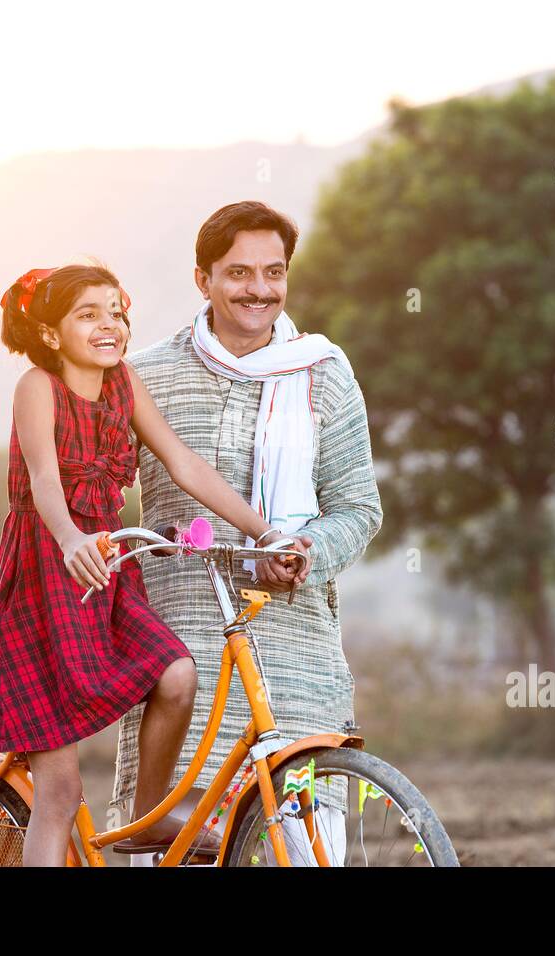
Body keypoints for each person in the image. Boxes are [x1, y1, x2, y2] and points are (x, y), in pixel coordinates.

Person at [0, 262, 286, 866]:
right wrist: (71, 537)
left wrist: (265, 533)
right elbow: (45, 480)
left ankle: (148, 816)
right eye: (88, 314)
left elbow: (184, 463)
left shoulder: (123, 384)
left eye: (116, 312)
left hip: (108, 570)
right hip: (47, 578)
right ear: (50, 334)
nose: (109, 325)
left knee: (176, 674)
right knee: (61, 793)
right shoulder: (36, 387)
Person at [111, 201, 383, 865]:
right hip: (182, 662)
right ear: (202, 279)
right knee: (178, 845)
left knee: (306, 848)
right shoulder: (142, 375)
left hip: (295, 663)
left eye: (273, 272)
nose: (258, 289)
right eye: (238, 273)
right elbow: (93, 488)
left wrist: (302, 552)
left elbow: (358, 506)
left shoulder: (322, 372)